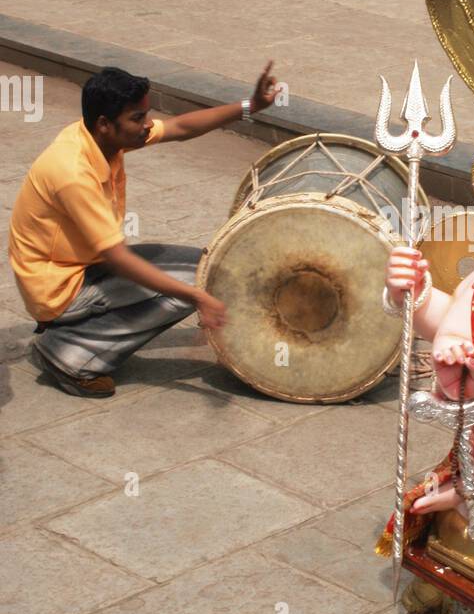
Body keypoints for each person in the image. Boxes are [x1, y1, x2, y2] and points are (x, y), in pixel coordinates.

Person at [8, 62, 279, 398]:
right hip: (58, 289)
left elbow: (180, 127)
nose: (147, 124)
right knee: (199, 282)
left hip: (83, 266)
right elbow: (119, 258)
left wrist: (250, 106)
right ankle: (71, 355)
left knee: (204, 268)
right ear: (105, 124)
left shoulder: (99, 136)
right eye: (138, 118)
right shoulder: (73, 172)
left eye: (145, 115)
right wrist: (198, 297)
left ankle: (75, 333)